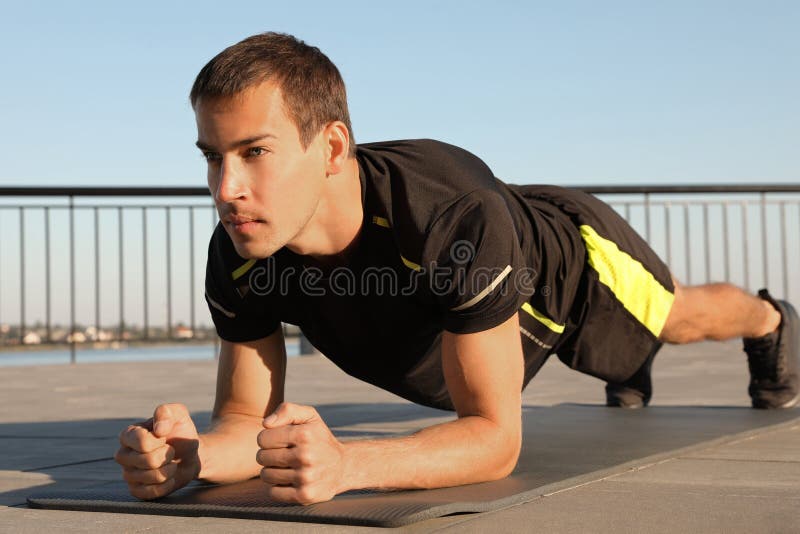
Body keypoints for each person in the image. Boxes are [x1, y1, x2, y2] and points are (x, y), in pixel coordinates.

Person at [113, 32, 799, 505]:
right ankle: (627, 369)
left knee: (677, 317)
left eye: (253, 152)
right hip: (483, 265)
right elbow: (242, 420)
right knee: (628, 350)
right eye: (211, 156)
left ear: (330, 146)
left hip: (569, 265)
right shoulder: (240, 251)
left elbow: (495, 441)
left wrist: (350, 463)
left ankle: (771, 321)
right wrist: (190, 456)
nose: (225, 187)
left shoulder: (448, 217)